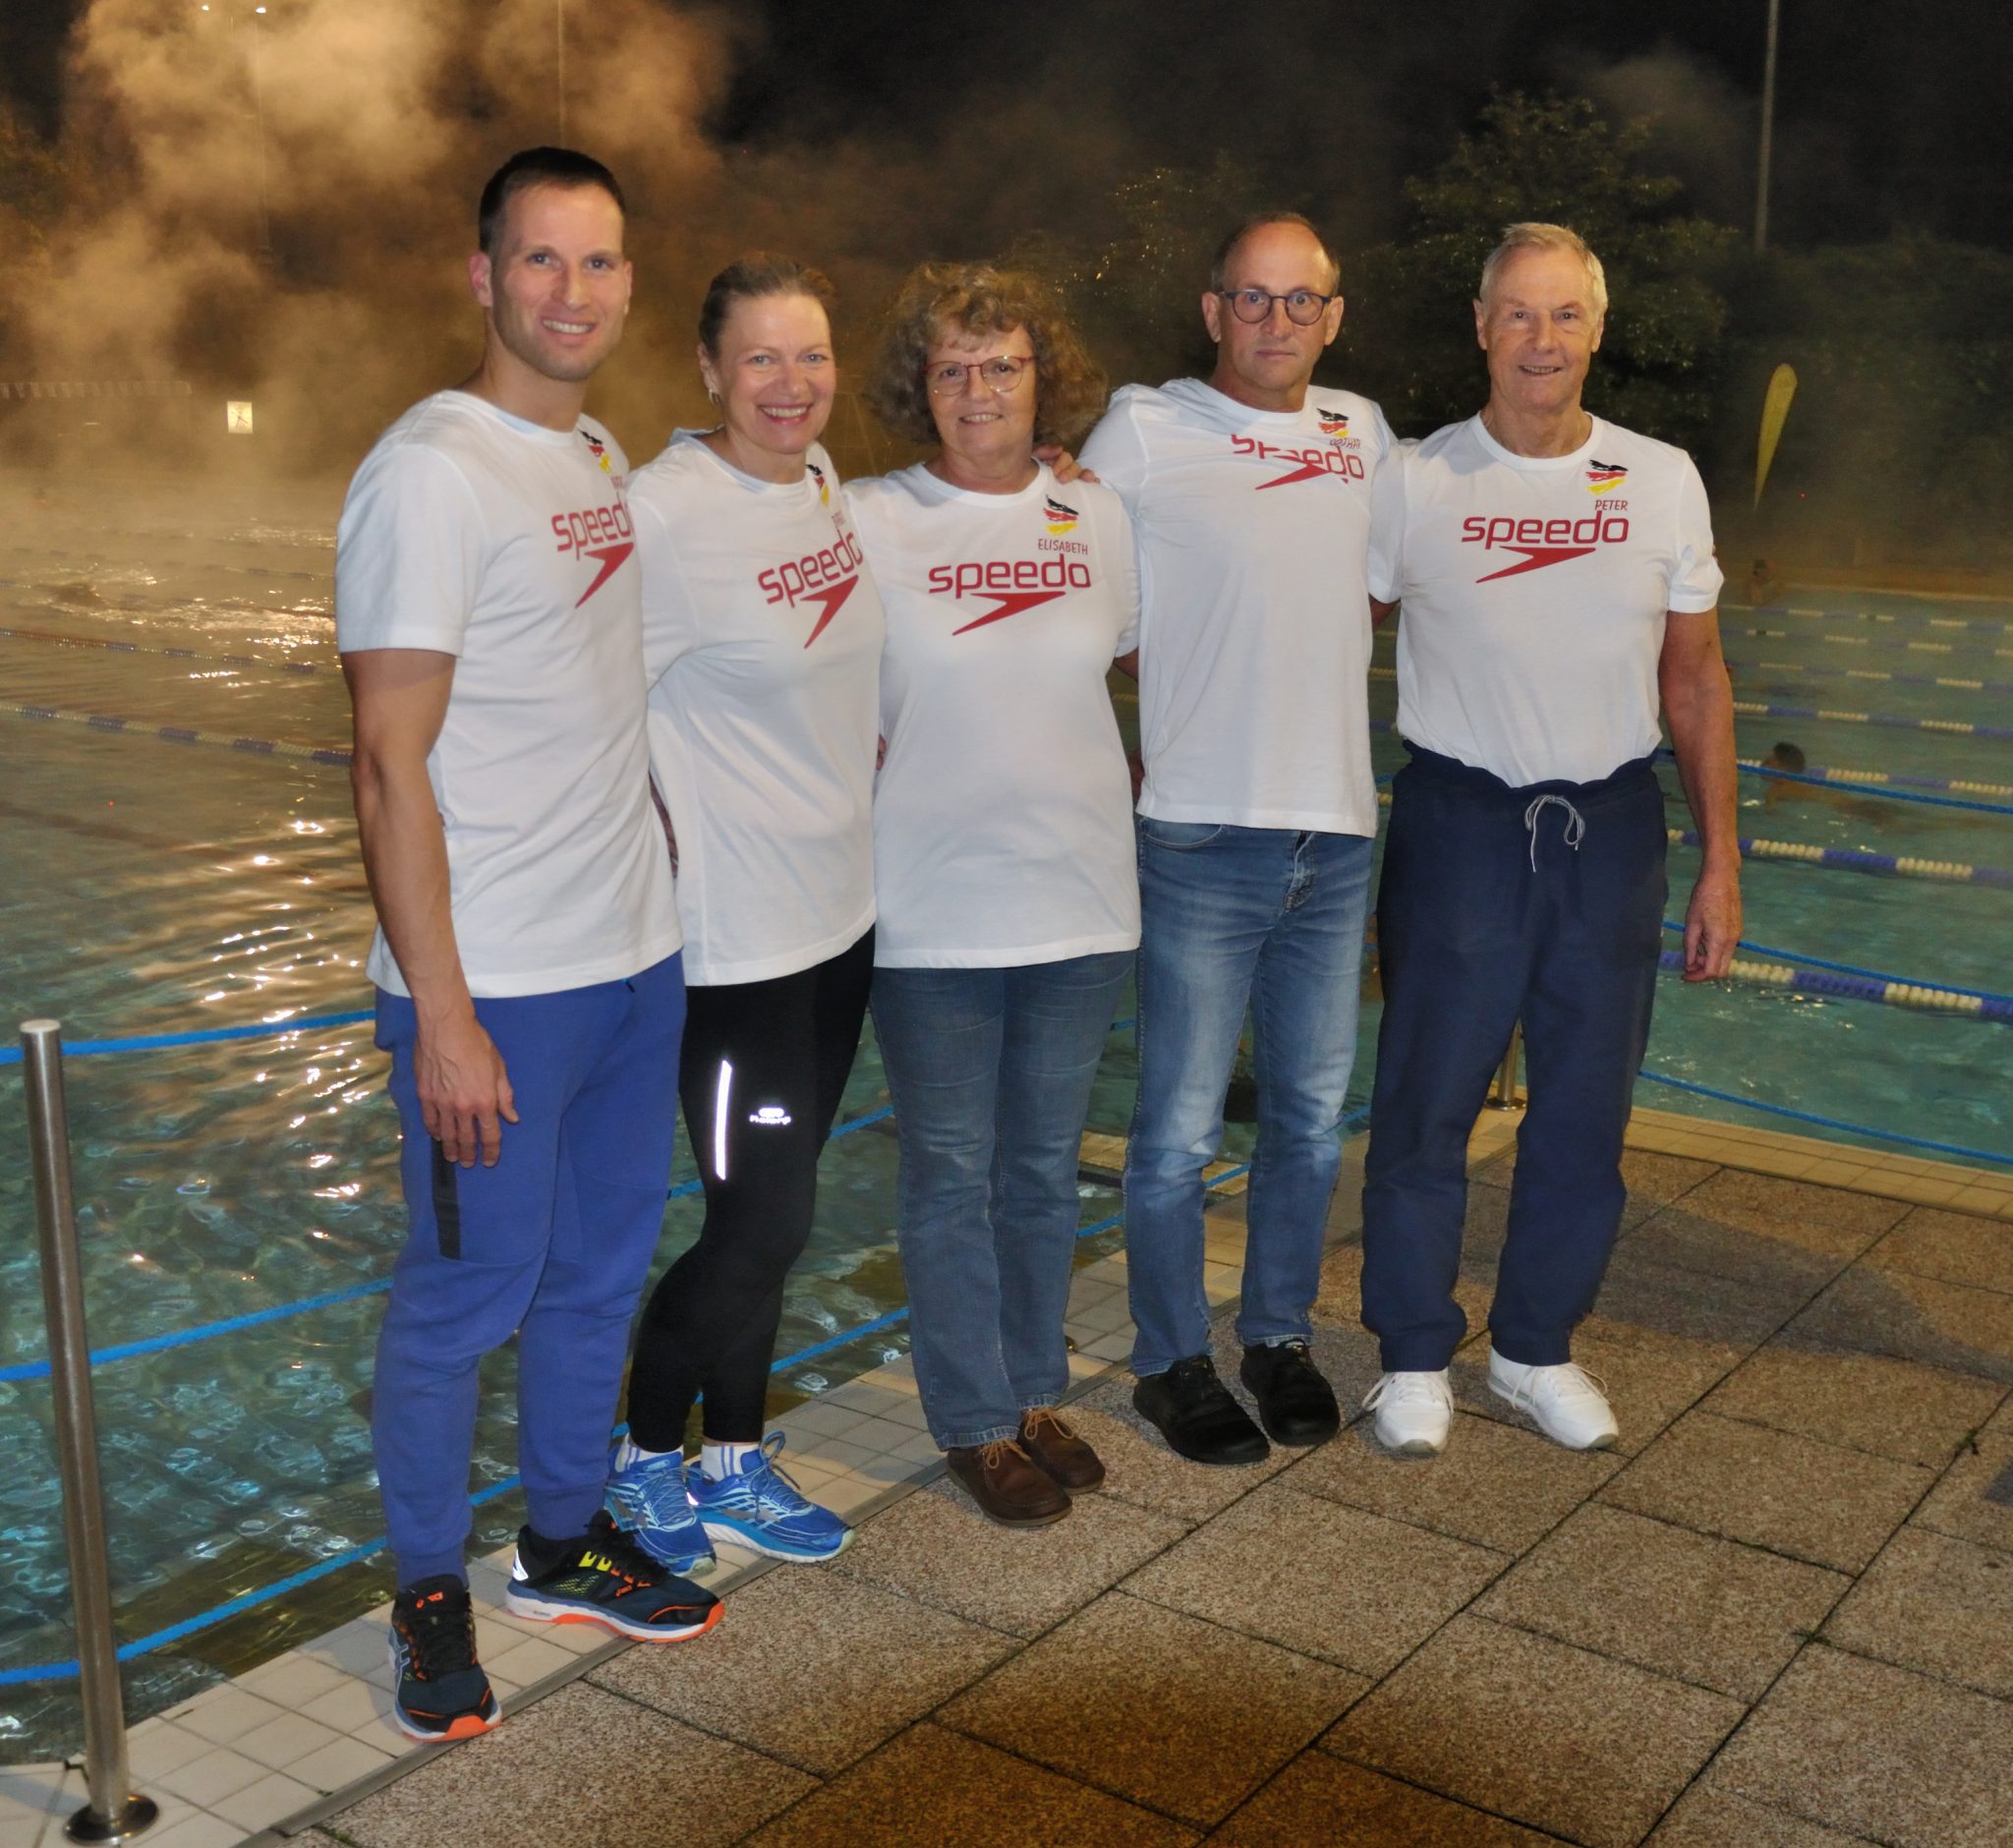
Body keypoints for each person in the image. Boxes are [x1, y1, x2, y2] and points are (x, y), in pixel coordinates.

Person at [336, 147, 719, 1745]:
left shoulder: (597, 452)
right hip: (495, 990)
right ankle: (428, 1589)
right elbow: (384, 760)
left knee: (595, 1280)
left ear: (629, 281)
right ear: (484, 276)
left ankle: (559, 1542)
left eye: (601, 262)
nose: (573, 292)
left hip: (632, 964)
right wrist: (444, 1014)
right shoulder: (432, 472)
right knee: (463, 1300)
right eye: (541, 261)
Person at [1358, 222, 1740, 1459]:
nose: (1539, 339)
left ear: (1594, 329)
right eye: (1515, 314)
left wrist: (1722, 860)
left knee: (1583, 1109)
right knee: (1427, 1101)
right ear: (1478, 328)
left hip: (1612, 827)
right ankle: (1413, 1351)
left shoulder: (1658, 476)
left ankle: (1531, 1347)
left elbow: (1694, 684)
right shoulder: (1412, 480)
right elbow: (1299, 603)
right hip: (1461, 819)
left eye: (1562, 315)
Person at [1079, 213, 1392, 1466]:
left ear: (1332, 312)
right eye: (1250, 300)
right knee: (1174, 1134)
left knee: (1311, 1121)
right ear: (1212, 311)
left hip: (1335, 832)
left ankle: (1275, 1335)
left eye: (1299, 300)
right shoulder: (1144, 429)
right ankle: (1167, 1361)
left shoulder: (1361, 432)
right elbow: (1069, 591)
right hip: (1202, 835)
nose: (1275, 322)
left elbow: (1380, 583)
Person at [847, 262, 1138, 1527]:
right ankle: (970, 1418)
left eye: (1001, 364)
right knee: (949, 1171)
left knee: (1038, 1169)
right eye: (953, 367)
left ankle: (1029, 1389)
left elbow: (1108, 668)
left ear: (1042, 380)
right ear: (921, 384)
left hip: (1078, 896)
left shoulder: (1097, 516)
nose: (978, 388)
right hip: (930, 907)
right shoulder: (865, 516)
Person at [604, 256, 882, 1568]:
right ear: (709, 370)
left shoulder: (823, 487)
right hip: (735, 951)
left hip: (840, 927)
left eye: (810, 356)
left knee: (771, 1218)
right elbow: (575, 695)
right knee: (761, 1222)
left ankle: (732, 1459)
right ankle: (641, 1460)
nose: (789, 384)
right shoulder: (661, 512)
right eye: (760, 358)